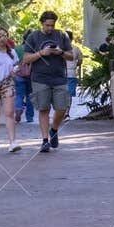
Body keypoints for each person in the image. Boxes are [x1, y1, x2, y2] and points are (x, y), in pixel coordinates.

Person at [19, 11, 73, 154]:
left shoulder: (62, 36)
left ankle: (54, 129)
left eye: (52, 25)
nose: (50, 28)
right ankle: (45, 140)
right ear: (42, 24)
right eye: (47, 25)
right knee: (44, 109)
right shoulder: (33, 37)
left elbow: (71, 56)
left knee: (62, 108)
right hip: (40, 78)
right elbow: (25, 59)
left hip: (59, 77)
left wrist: (60, 52)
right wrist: (40, 53)